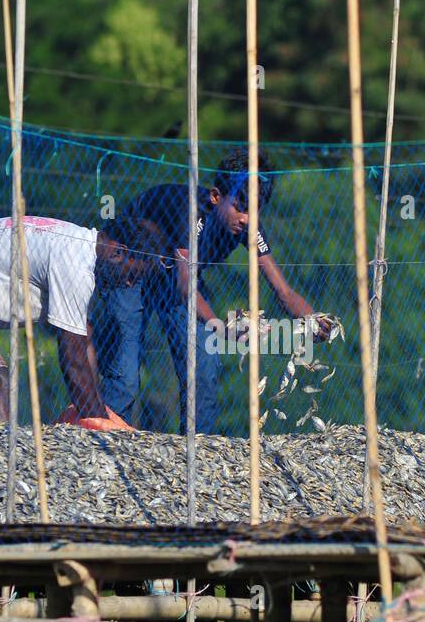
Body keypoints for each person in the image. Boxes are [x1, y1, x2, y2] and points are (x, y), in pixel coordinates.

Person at [95, 148, 330, 434]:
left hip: (175, 276)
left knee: (203, 368)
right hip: (128, 272)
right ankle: (105, 441)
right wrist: (221, 327)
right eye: (240, 207)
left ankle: (196, 450)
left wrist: (313, 319)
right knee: (125, 374)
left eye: (255, 210)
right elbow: (186, 288)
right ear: (216, 196)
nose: (247, 219)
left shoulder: (248, 227)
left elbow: (283, 290)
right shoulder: (188, 211)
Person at [0, 213, 165, 427]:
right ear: (119, 253)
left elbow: (84, 340)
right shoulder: (75, 265)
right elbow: (73, 359)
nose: (128, 284)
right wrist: (100, 426)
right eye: (131, 276)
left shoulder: (80, 251)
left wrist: (95, 406)